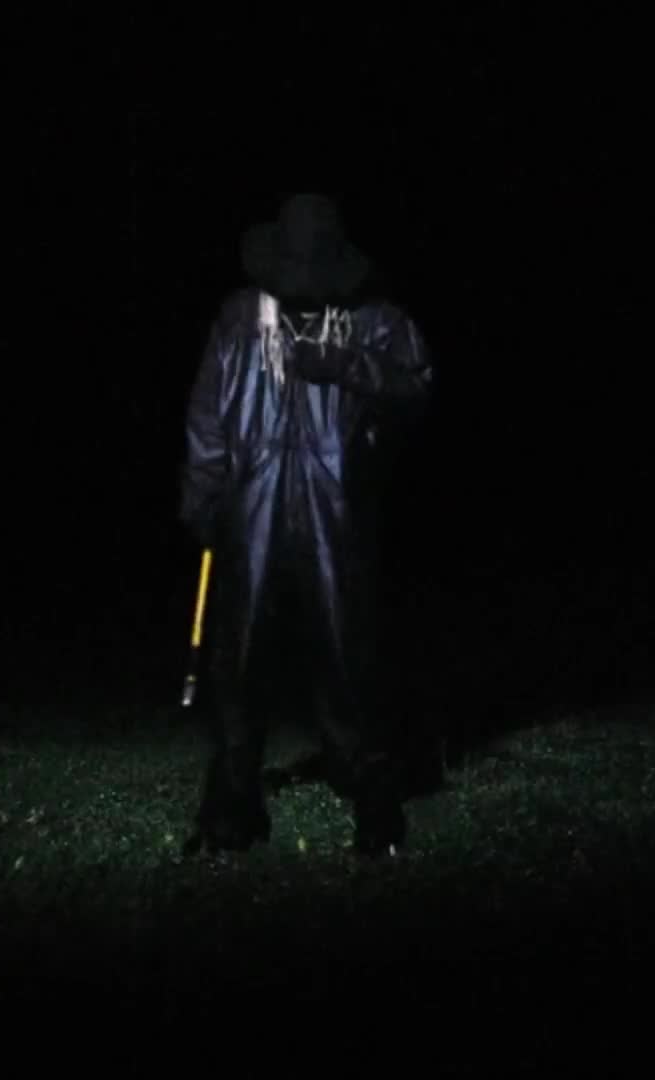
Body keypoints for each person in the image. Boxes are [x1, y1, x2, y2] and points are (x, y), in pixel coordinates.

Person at [177, 193, 432, 857]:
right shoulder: (240, 316)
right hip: (251, 507)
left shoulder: (372, 319)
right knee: (239, 659)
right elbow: (207, 412)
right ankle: (233, 806)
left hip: (335, 510)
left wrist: (347, 365)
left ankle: (372, 795)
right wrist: (202, 494)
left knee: (349, 654)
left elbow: (417, 384)